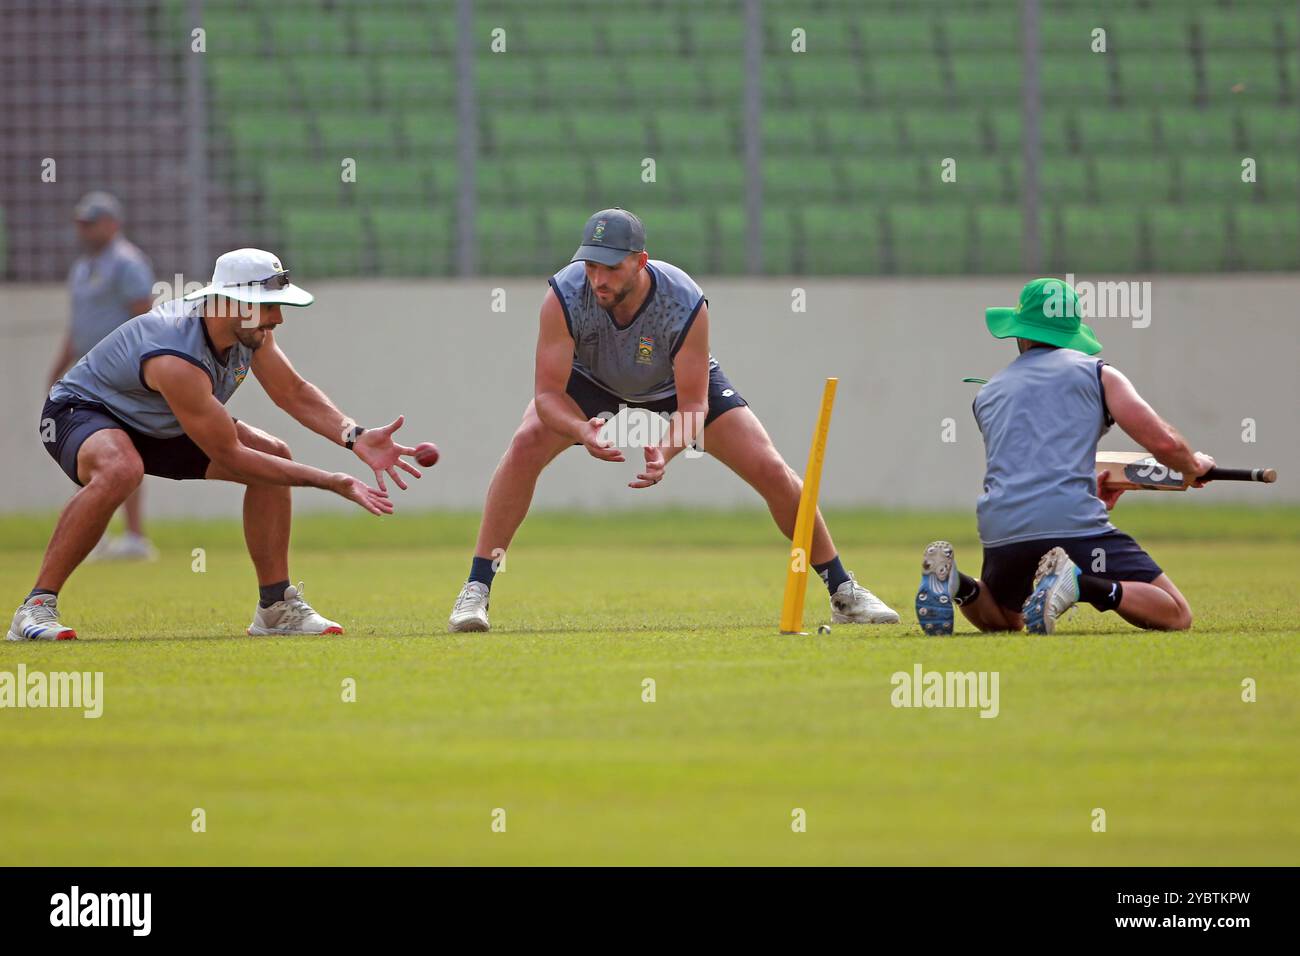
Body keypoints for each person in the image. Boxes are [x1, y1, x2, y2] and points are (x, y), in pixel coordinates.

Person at [448, 208, 899, 632]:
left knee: (770, 468)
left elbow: (694, 407)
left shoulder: (683, 302)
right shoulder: (565, 296)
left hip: (671, 387)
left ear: (640, 261)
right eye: (591, 266)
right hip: (590, 382)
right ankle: (476, 589)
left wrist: (664, 452)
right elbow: (547, 395)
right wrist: (582, 429)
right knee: (527, 443)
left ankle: (843, 590)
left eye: (611, 267)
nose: (598, 279)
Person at [9, 248, 427, 642]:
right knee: (122, 469)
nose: (277, 319)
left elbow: (293, 392)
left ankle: (275, 608)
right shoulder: (174, 355)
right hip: (81, 410)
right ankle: (36, 606)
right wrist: (332, 481)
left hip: (163, 420)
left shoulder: (251, 334)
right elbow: (232, 456)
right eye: (268, 306)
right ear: (233, 302)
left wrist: (353, 436)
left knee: (274, 456)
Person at [914, 278, 1207, 636]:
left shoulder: (988, 393)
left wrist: (1089, 492)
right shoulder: (1098, 374)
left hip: (1003, 531)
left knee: (1008, 620)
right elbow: (1163, 445)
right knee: (1176, 614)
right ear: (1071, 331)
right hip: (1071, 526)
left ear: (1020, 332)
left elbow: (1033, 458)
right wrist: (1192, 467)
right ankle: (1082, 584)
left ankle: (957, 585)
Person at [48, 192, 158, 560]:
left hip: (119, 373)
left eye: (91, 223)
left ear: (112, 224)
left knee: (122, 450)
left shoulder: (127, 263)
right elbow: (78, 326)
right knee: (95, 449)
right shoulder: (82, 267)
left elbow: (144, 318)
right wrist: (59, 367)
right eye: (82, 223)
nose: (85, 230)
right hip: (85, 376)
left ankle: (134, 535)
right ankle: (100, 533)